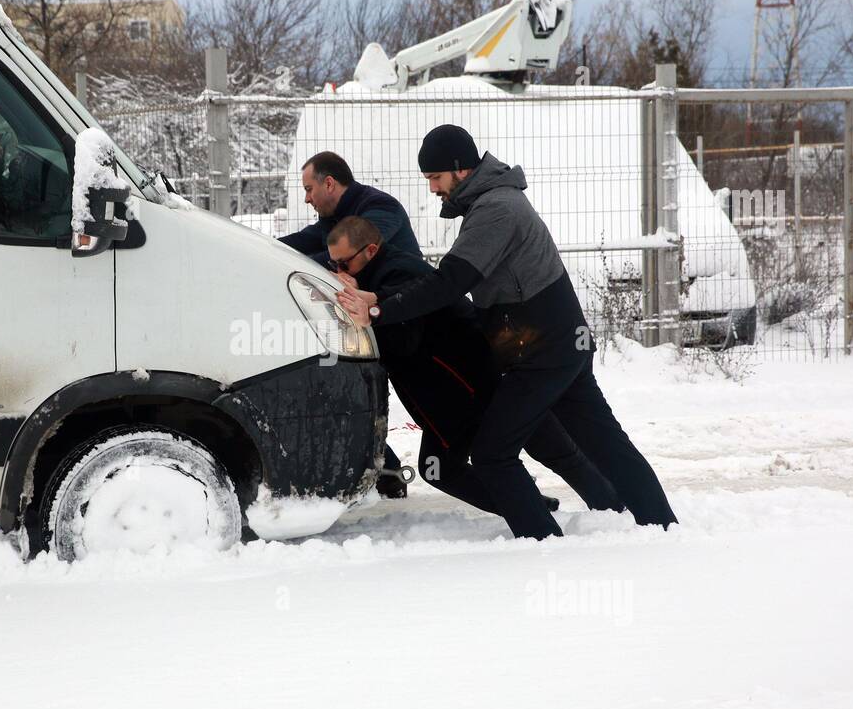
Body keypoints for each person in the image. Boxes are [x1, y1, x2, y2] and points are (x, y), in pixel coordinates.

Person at [336, 125, 677, 541]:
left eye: (435, 178)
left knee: (494, 453)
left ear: (460, 170)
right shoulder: (491, 203)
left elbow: (450, 281)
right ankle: (660, 526)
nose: (432, 189)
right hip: (552, 343)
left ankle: (545, 543)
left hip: (543, 349)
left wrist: (377, 310)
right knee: (603, 442)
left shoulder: (497, 209)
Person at [327, 215, 622, 518]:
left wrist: (362, 312)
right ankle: (552, 505)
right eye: (333, 264)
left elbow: (403, 342)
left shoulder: (399, 271)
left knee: (531, 450)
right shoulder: (380, 274)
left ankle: (594, 506)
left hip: (470, 387)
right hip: (460, 391)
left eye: (343, 264)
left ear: (371, 251)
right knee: (463, 464)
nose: (339, 272)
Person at [279, 151, 421, 262]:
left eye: (309, 189)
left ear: (329, 184)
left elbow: (347, 254)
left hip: (406, 294)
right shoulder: (335, 214)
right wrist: (267, 247)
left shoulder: (381, 207)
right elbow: (306, 239)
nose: (307, 199)